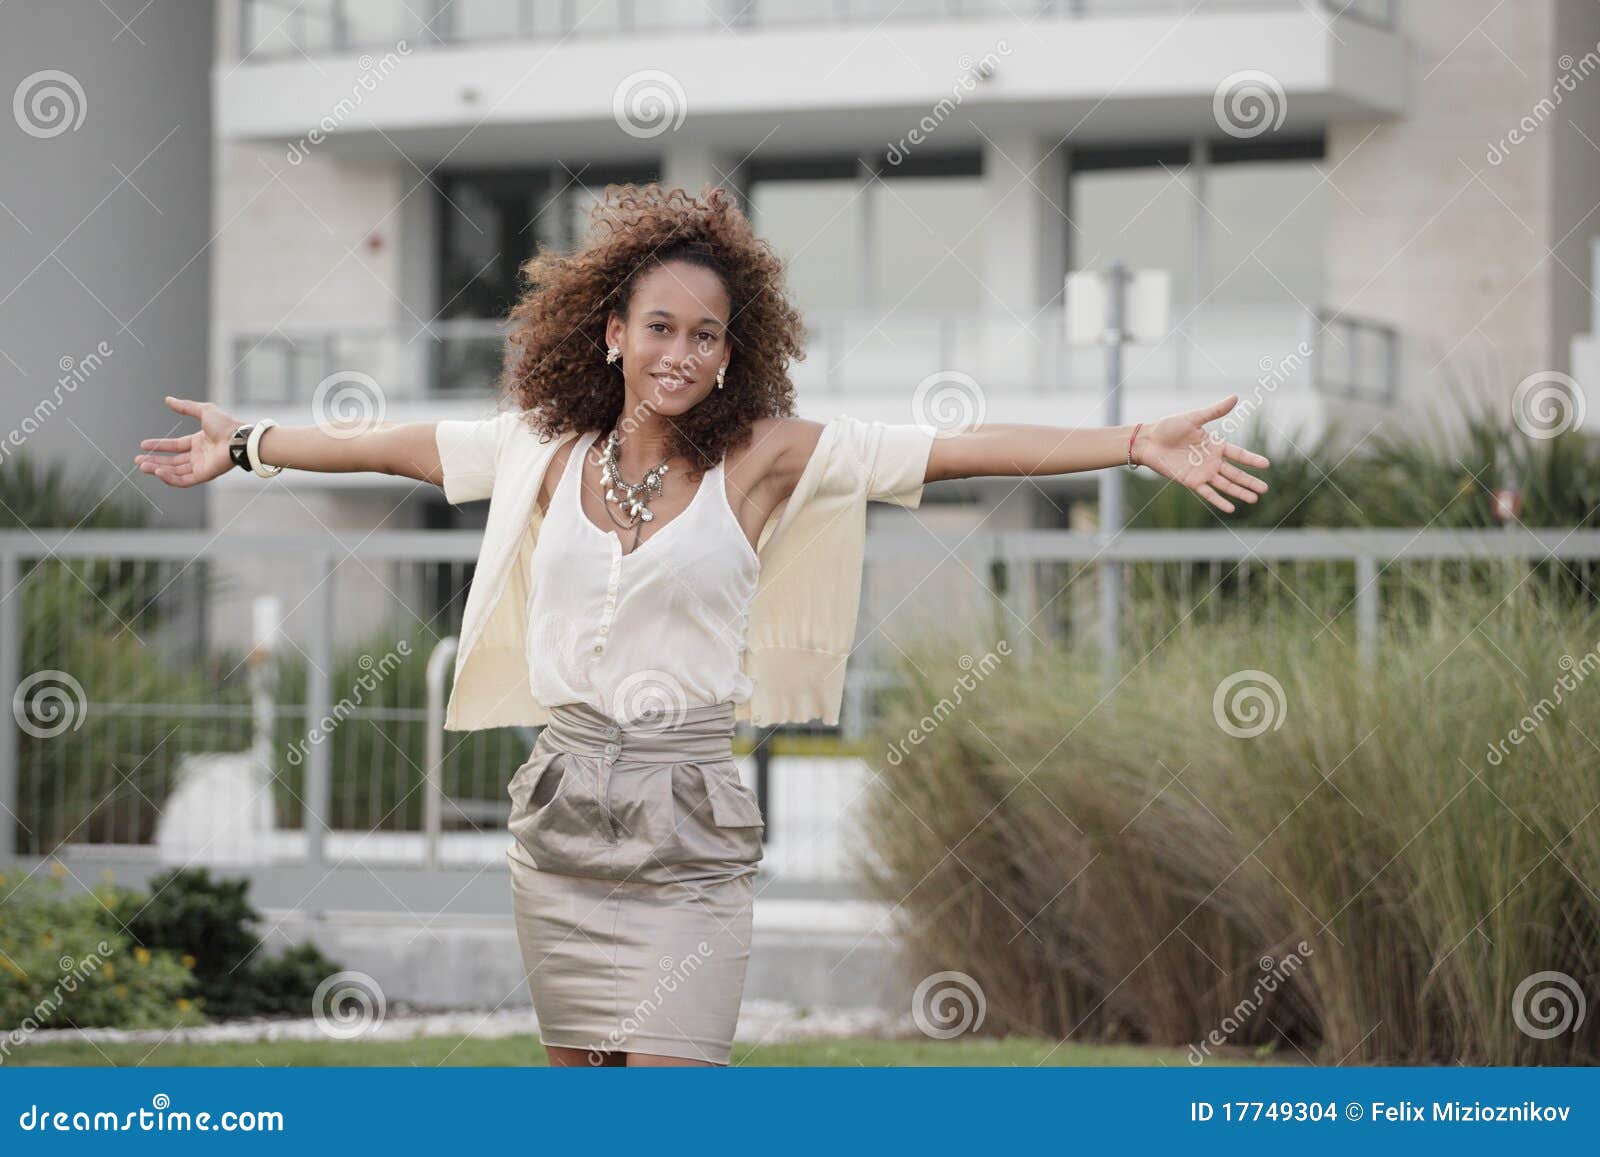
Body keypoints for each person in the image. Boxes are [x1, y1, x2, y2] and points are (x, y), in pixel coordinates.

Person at [136, 183, 1269, 1068]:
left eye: (707, 335)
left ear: (733, 349)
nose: (681, 353)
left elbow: (952, 448)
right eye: (661, 327)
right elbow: (392, 444)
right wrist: (248, 443)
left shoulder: (764, 457)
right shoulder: (540, 450)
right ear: (612, 333)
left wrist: (1130, 440)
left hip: (687, 834)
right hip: (561, 827)